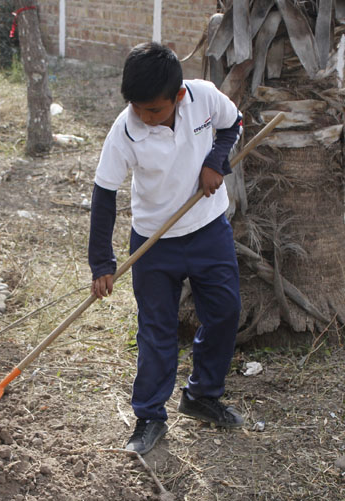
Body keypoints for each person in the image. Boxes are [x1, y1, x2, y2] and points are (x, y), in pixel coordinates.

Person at [88, 41, 245, 455]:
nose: (144, 117)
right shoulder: (125, 129)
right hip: (154, 244)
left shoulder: (204, 97)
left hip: (209, 229)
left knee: (225, 311)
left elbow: (234, 124)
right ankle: (149, 416)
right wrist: (101, 262)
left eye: (154, 110)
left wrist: (216, 161)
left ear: (178, 96)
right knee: (157, 331)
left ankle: (202, 396)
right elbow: (105, 194)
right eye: (138, 108)